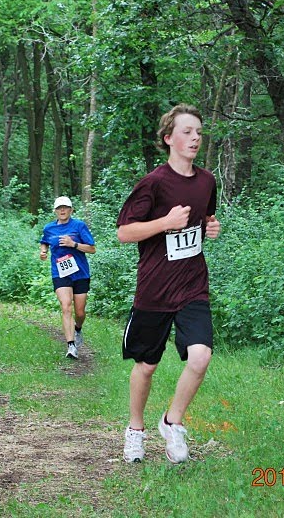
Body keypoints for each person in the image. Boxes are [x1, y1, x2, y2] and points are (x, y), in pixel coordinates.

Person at [116, 103, 221, 464]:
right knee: (146, 366)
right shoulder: (153, 183)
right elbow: (124, 232)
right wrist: (164, 222)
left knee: (201, 356)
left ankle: (172, 422)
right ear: (169, 139)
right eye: (187, 131)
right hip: (155, 290)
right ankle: (135, 429)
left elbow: (206, 217)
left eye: (199, 132)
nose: (195, 138)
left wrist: (211, 227)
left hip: (192, 285)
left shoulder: (207, 181)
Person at [40, 196, 96, 359]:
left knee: (80, 311)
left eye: (65, 208)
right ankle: (71, 346)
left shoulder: (79, 226)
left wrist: (74, 244)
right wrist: (43, 251)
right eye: (59, 208)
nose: (62, 210)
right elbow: (44, 242)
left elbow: (92, 249)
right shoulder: (49, 228)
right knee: (66, 306)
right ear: (55, 211)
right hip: (60, 273)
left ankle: (78, 328)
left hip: (80, 273)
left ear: (71, 210)